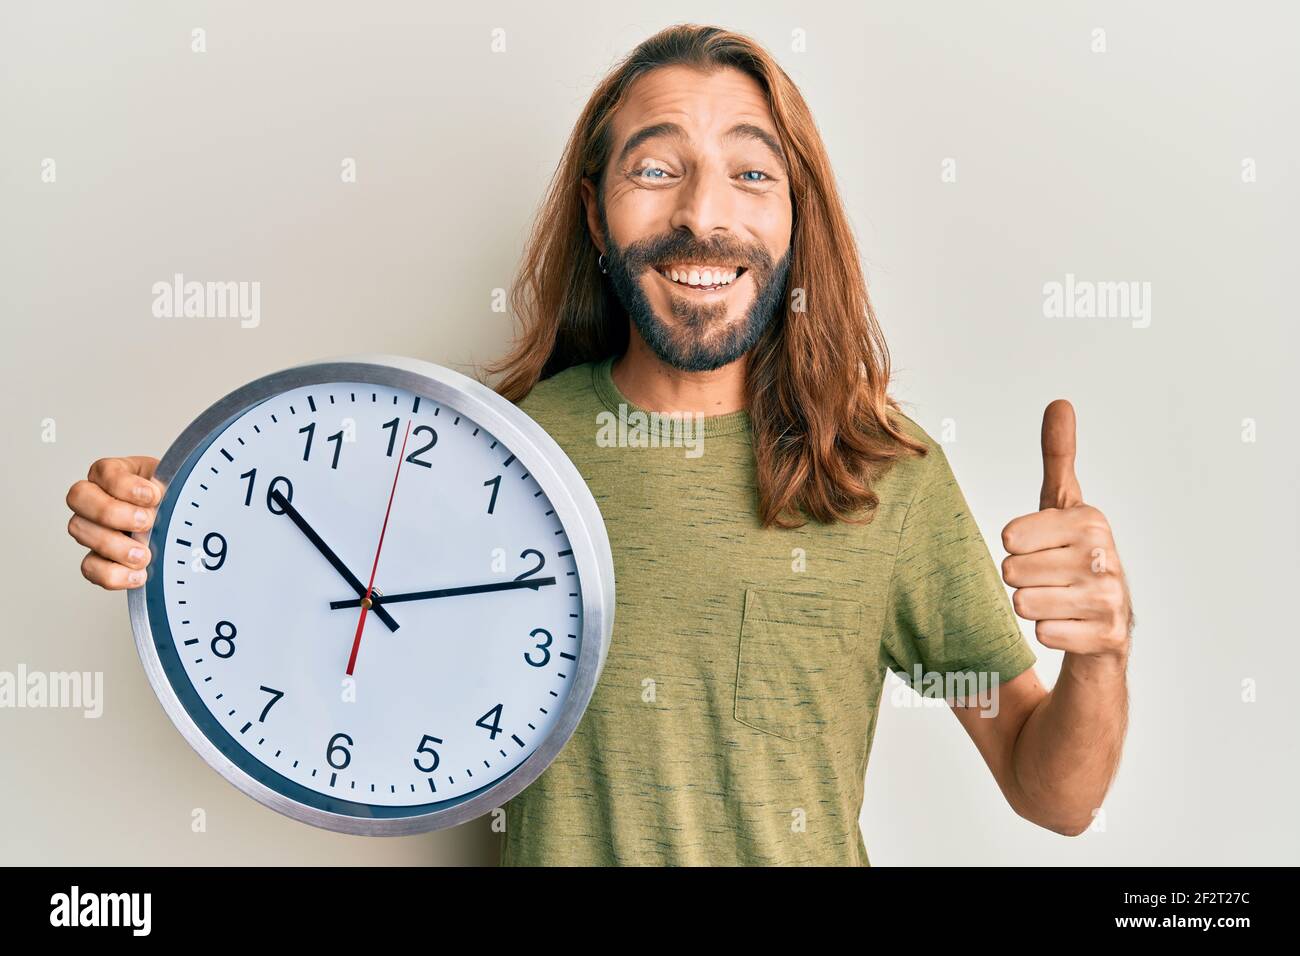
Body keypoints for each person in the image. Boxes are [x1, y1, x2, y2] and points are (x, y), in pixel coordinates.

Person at [64, 24, 1132, 866]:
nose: (703, 214)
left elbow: (1057, 794)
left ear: (797, 218)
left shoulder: (881, 472)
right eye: (655, 169)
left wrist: (1100, 655)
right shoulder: (492, 458)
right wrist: (171, 516)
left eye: (752, 175)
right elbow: (336, 603)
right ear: (595, 209)